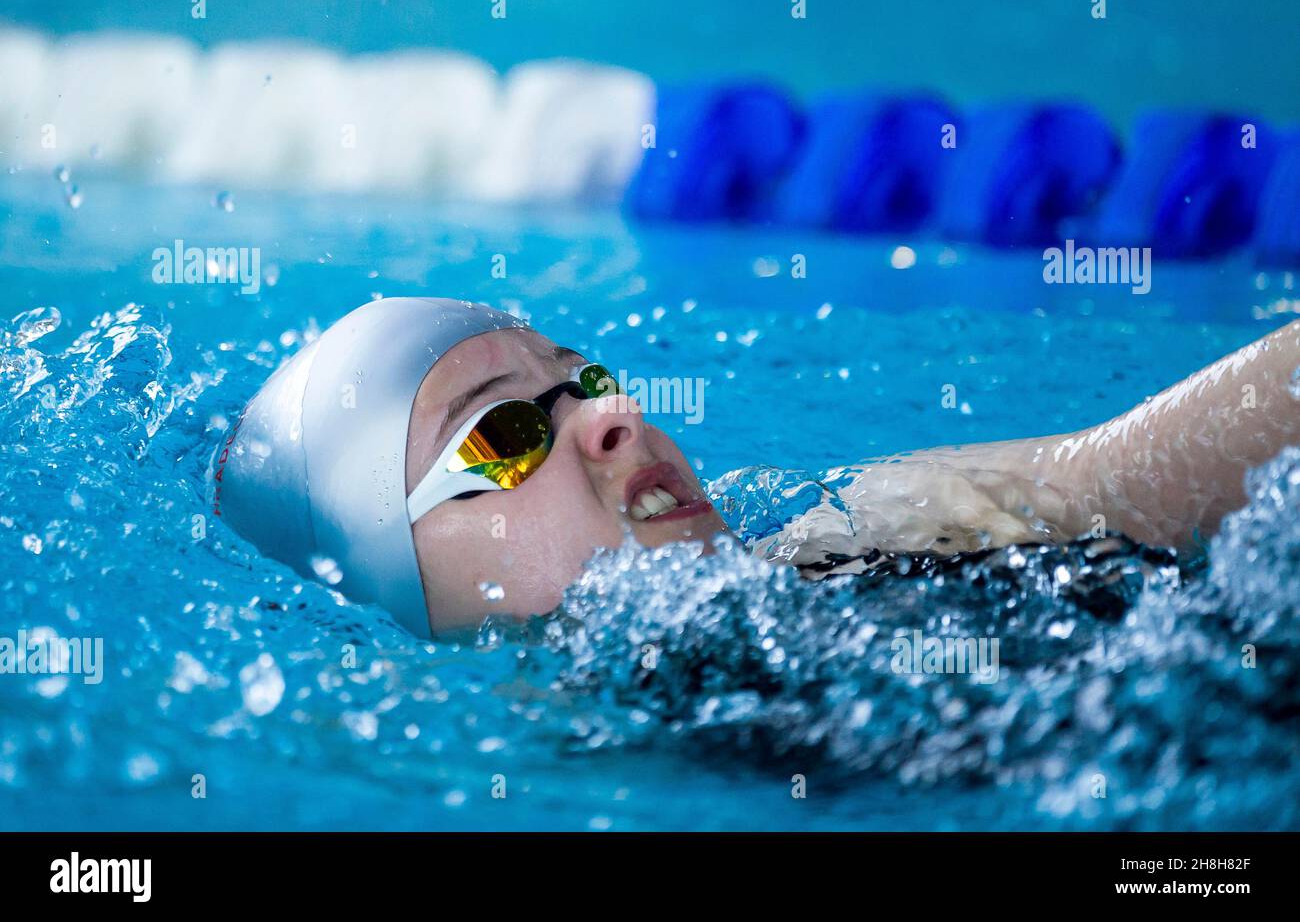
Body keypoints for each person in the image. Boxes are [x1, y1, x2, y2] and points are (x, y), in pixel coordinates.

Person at [212, 297, 1300, 635]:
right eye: (502, 434)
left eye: (586, 383)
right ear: (390, 596)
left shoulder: (867, 523)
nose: (615, 418)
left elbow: (1122, 473)